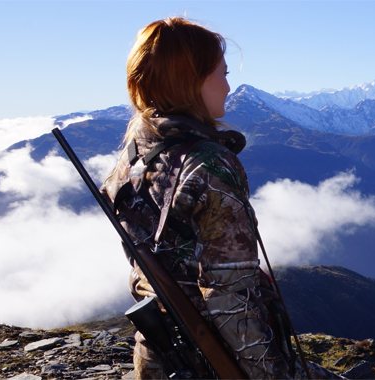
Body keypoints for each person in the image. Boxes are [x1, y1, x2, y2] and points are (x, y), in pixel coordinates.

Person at [101, 17, 319, 379]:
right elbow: (229, 297)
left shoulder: (132, 158)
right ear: (191, 81)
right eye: (222, 74)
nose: (229, 87)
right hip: (216, 361)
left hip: (160, 359)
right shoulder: (209, 165)